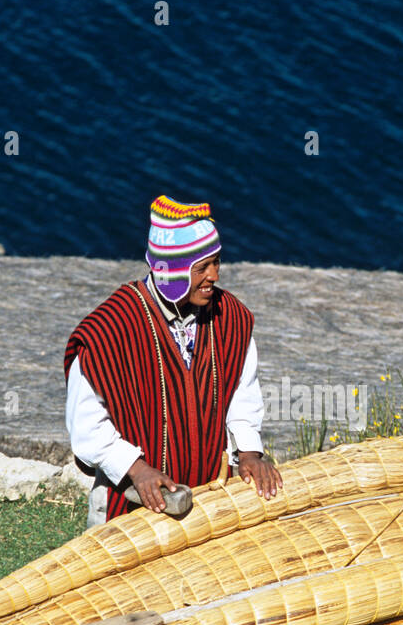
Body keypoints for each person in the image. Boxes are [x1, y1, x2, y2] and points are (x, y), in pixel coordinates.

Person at [64, 195, 282, 526]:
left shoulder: (231, 319)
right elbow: (86, 427)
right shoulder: (107, 333)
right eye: (202, 267)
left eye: (217, 262)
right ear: (172, 270)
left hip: (206, 500)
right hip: (129, 505)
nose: (215, 276)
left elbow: (242, 393)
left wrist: (249, 453)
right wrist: (136, 469)